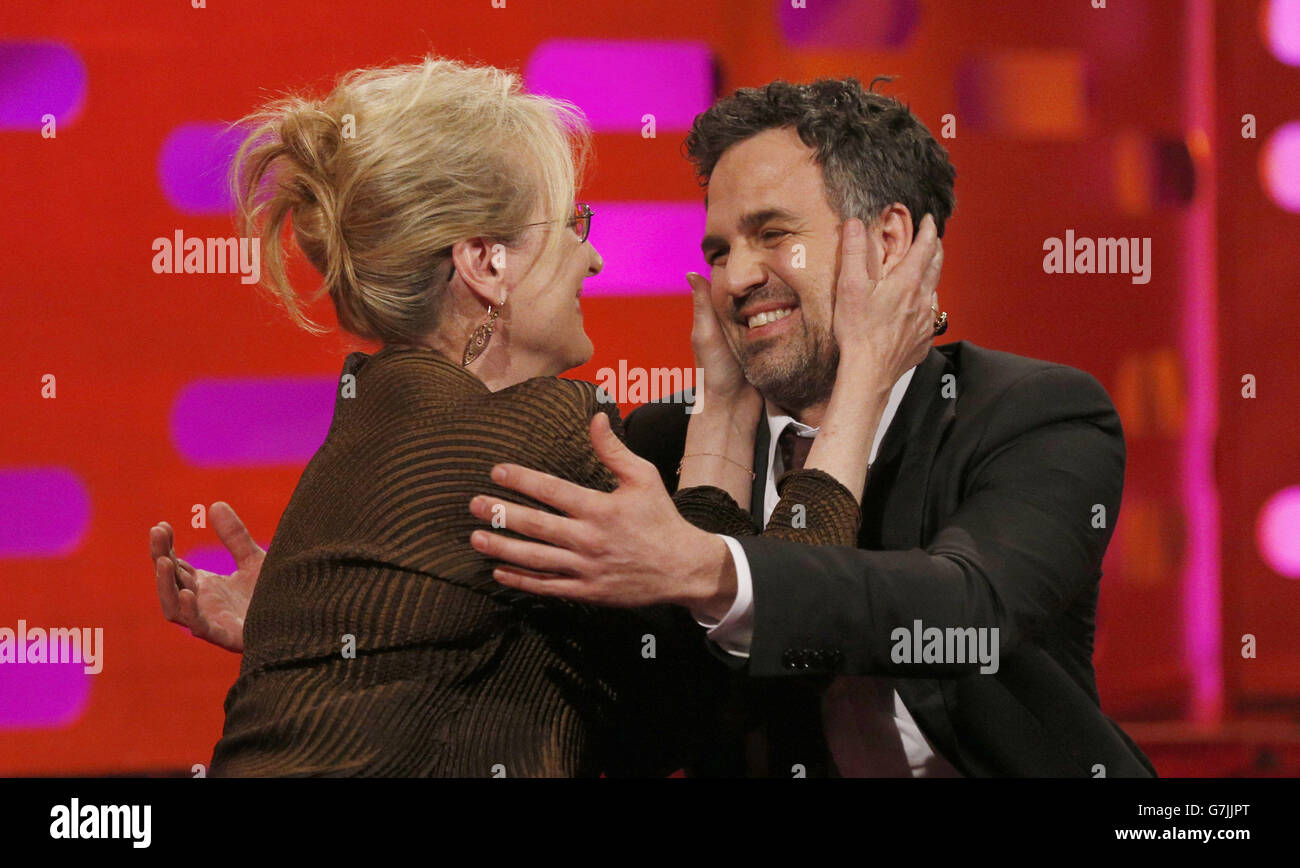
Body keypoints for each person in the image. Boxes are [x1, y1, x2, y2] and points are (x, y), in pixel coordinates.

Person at [150, 60, 940, 776]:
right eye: (572, 226)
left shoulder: (368, 424)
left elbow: (660, 659)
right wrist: (865, 364)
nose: (591, 258)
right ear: (486, 264)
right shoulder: (536, 433)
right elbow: (762, 641)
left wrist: (297, 630)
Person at [467, 78, 1158, 777]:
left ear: (888, 241)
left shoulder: (1029, 413)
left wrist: (711, 570)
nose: (736, 278)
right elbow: (660, 722)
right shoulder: (663, 443)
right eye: (719, 250)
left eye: (773, 235)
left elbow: (968, 615)